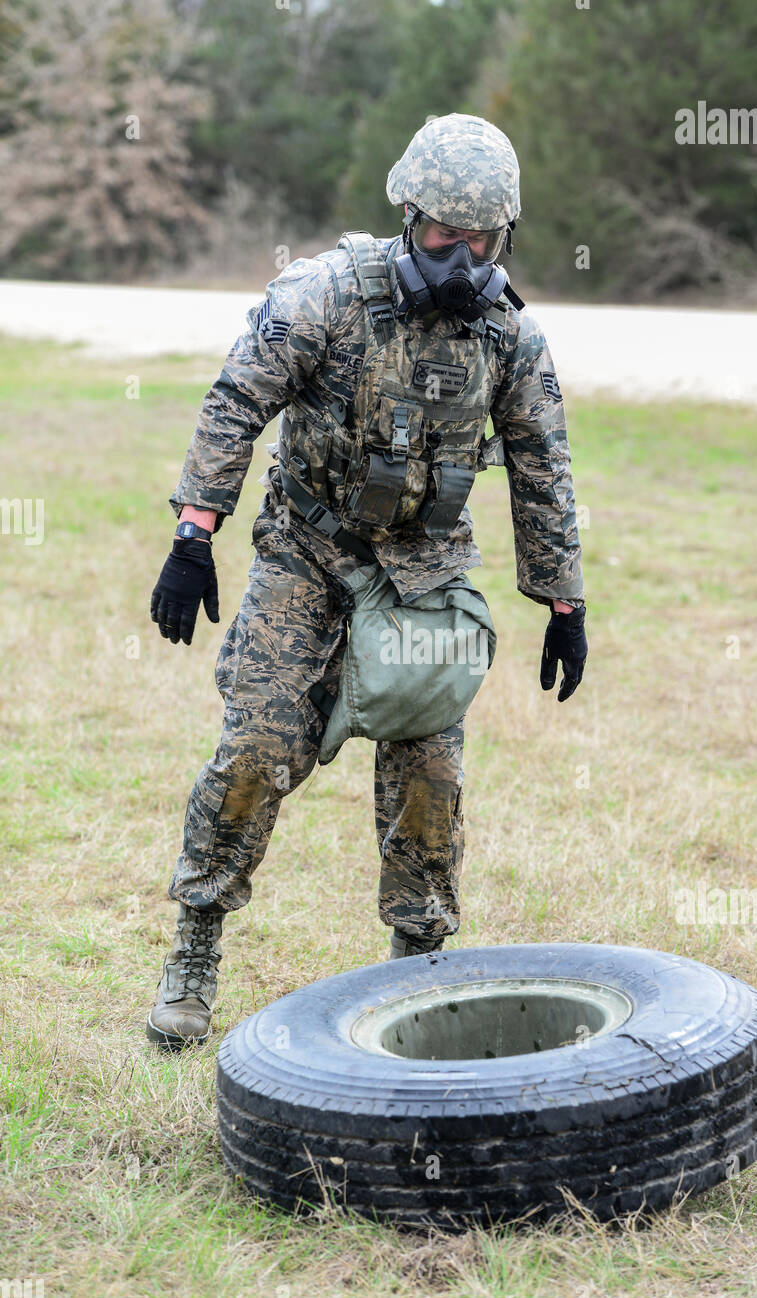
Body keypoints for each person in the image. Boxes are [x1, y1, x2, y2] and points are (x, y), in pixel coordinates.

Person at [146, 113, 587, 1050]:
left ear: (503, 235)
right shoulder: (322, 294)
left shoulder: (508, 337)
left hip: (426, 572)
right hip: (306, 550)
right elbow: (237, 402)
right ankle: (195, 945)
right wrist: (195, 533)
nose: (460, 255)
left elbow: (543, 463)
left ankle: (419, 967)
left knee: (430, 778)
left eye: (481, 239)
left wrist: (561, 600)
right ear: (407, 215)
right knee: (257, 754)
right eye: (442, 234)